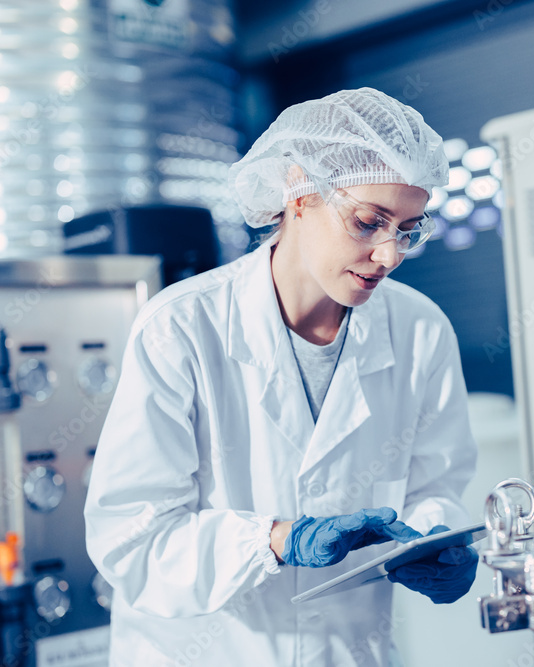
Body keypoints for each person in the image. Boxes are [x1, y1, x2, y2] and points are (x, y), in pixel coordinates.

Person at [83, 87, 479, 666]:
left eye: (409, 230)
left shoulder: (420, 330)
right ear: (299, 192)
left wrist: (439, 541)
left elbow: (433, 490)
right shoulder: (183, 327)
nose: (390, 254)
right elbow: (133, 542)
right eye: (369, 222)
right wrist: (275, 540)